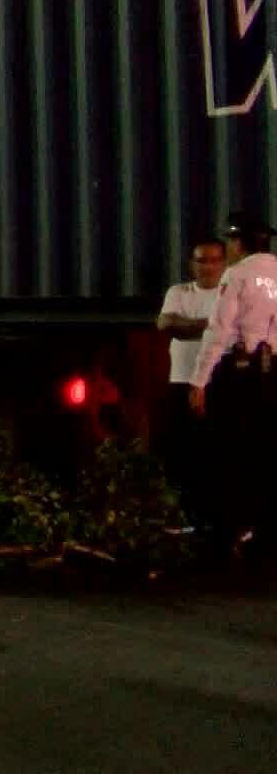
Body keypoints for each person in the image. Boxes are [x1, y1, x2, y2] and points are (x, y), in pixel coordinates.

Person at [190, 218, 277, 557]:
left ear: (240, 244)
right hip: (273, 372)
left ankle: (226, 533)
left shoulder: (237, 274)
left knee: (230, 451)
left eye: (231, 241)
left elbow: (219, 329)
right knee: (267, 452)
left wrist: (199, 380)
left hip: (242, 374)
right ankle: (264, 534)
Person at [154, 237, 226, 493]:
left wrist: (186, 326)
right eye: (202, 261)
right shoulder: (179, 292)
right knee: (183, 449)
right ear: (192, 264)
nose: (208, 267)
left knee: (217, 450)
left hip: (218, 382)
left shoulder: (230, 294)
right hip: (182, 381)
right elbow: (165, 324)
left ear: (224, 263)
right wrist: (211, 326)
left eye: (214, 260)